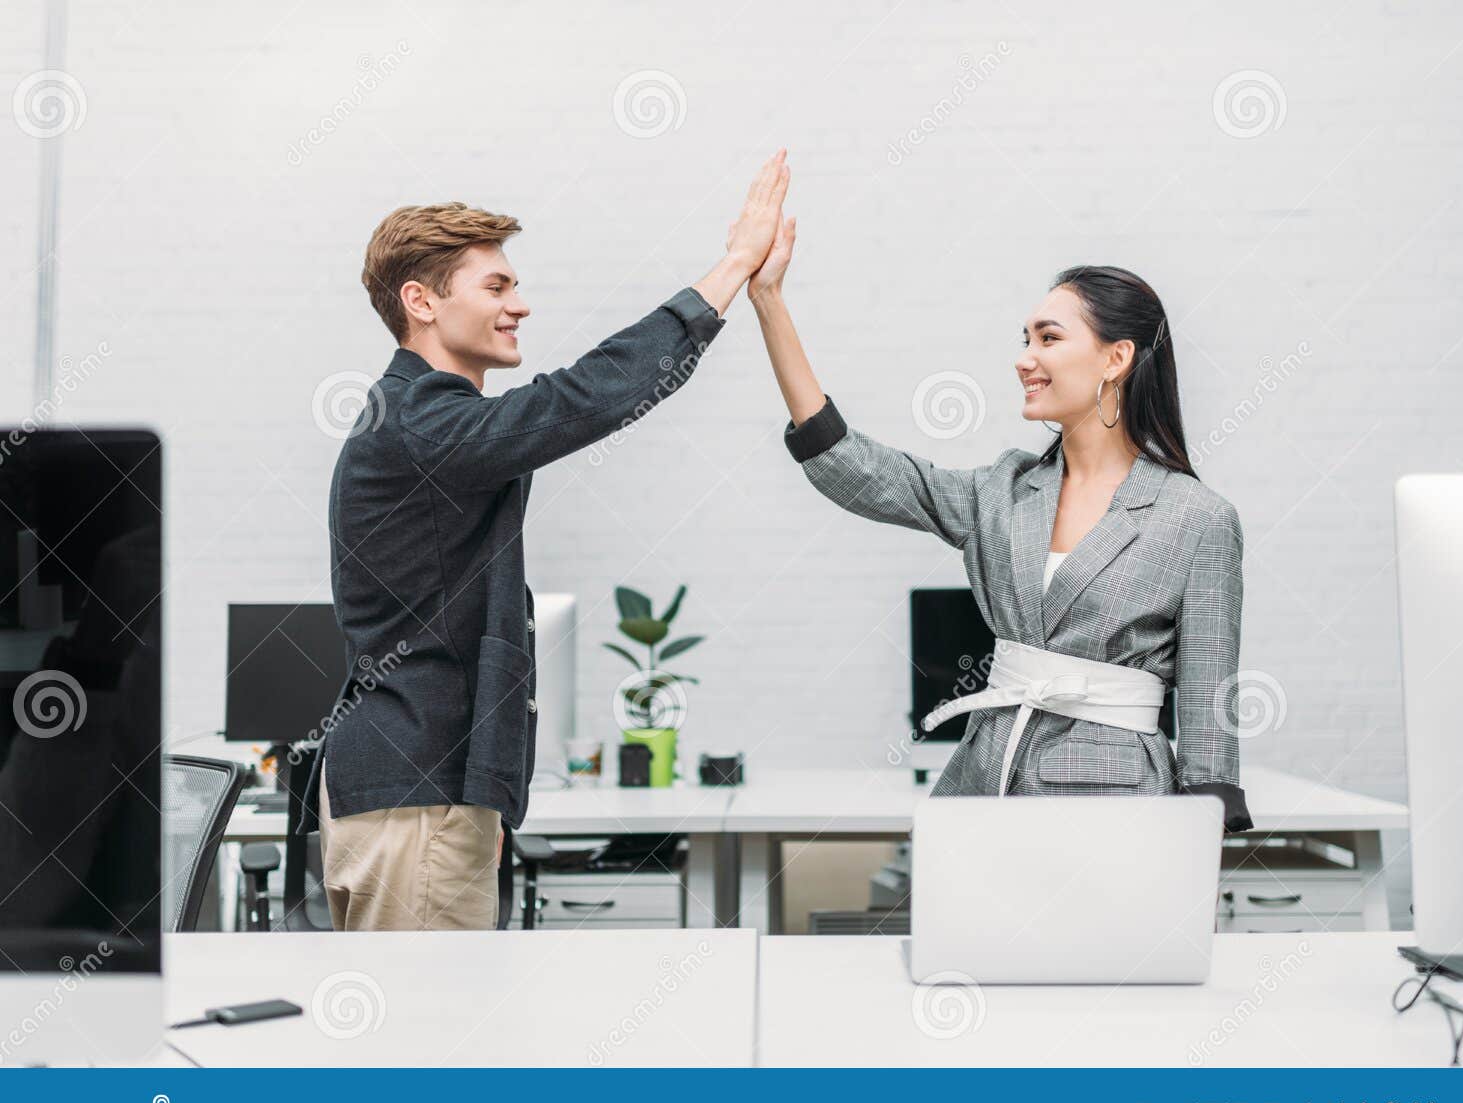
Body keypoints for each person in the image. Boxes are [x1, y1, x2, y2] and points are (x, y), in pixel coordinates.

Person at [304, 151, 792, 931]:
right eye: (496, 286)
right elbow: (582, 397)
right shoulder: (422, 421)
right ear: (420, 301)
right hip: (416, 790)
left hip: (420, 789)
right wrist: (732, 267)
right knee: (422, 1047)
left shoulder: (420, 417)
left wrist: (485, 797)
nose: (519, 305)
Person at [749, 209, 1252, 832]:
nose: (1025, 359)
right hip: (986, 783)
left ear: (1116, 357)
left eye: (1049, 338)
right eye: (1026, 339)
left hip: (1117, 803)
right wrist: (769, 301)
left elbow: (1208, 705)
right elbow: (863, 472)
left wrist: (1204, 829)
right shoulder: (1006, 491)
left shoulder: (1198, 520)